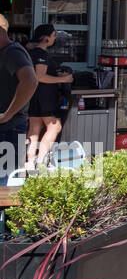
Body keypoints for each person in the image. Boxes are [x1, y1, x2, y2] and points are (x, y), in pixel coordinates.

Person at [24, 24, 72, 169]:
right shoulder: (41, 54)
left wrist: (57, 74)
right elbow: (39, 76)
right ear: (45, 38)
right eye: (53, 35)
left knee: (34, 129)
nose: (54, 38)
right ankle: (41, 161)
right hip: (44, 96)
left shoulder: (30, 53)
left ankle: (29, 162)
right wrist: (63, 79)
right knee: (55, 127)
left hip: (32, 95)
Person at [0, 14, 38, 179]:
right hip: (7, 128)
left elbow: (30, 81)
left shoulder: (12, 52)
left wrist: (8, 114)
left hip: (9, 129)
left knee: (5, 184)